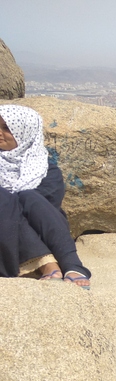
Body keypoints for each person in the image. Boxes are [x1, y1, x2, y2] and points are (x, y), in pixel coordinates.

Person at [0, 105, 91, 289]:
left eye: (6, 128)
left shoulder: (46, 170)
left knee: (29, 198)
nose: (0, 133)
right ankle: (47, 263)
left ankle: (71, 264)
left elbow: (46, 207)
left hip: (40, 227)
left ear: (25, 132)